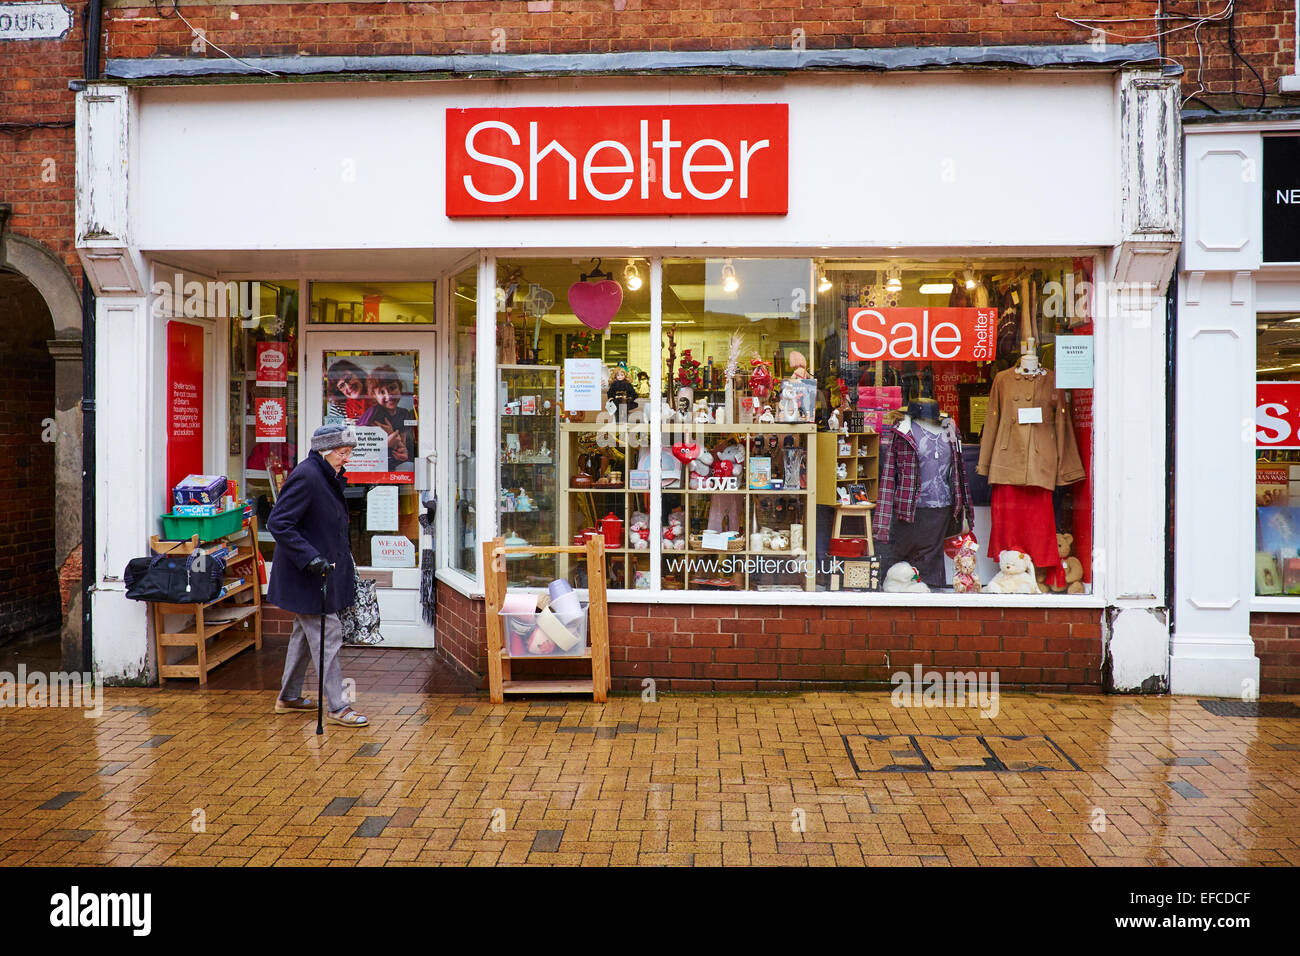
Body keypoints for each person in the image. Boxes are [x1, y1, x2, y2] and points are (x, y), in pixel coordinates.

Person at [266, 424, 369, 727]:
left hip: (318, 572)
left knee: (303, 635)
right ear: (325, 450)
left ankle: (289, 696)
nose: (346, 458)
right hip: (307, 574)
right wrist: (310, 557)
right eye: (342, 452)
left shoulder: (324, 475)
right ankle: (337, 706)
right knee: (328, 634)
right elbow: (279, 523)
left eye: (349, 452)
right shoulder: (308, 475)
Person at [356, 364, 416, 467]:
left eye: (392, 388)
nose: (389, 396)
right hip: (375, 466)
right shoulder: (373, 413)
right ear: (374, 396)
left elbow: (402, 444)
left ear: (400, 388)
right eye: (382, 392)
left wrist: (403, 451)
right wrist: (386, 443)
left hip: (396, 464)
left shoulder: (404, 413)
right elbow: (359, 446)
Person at [325, 358, 370, 423]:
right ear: (338, 390)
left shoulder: (379, 398)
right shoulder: (337, 408)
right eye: (342, 386)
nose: (348, 387)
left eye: (348, 378)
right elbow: (332, 431)